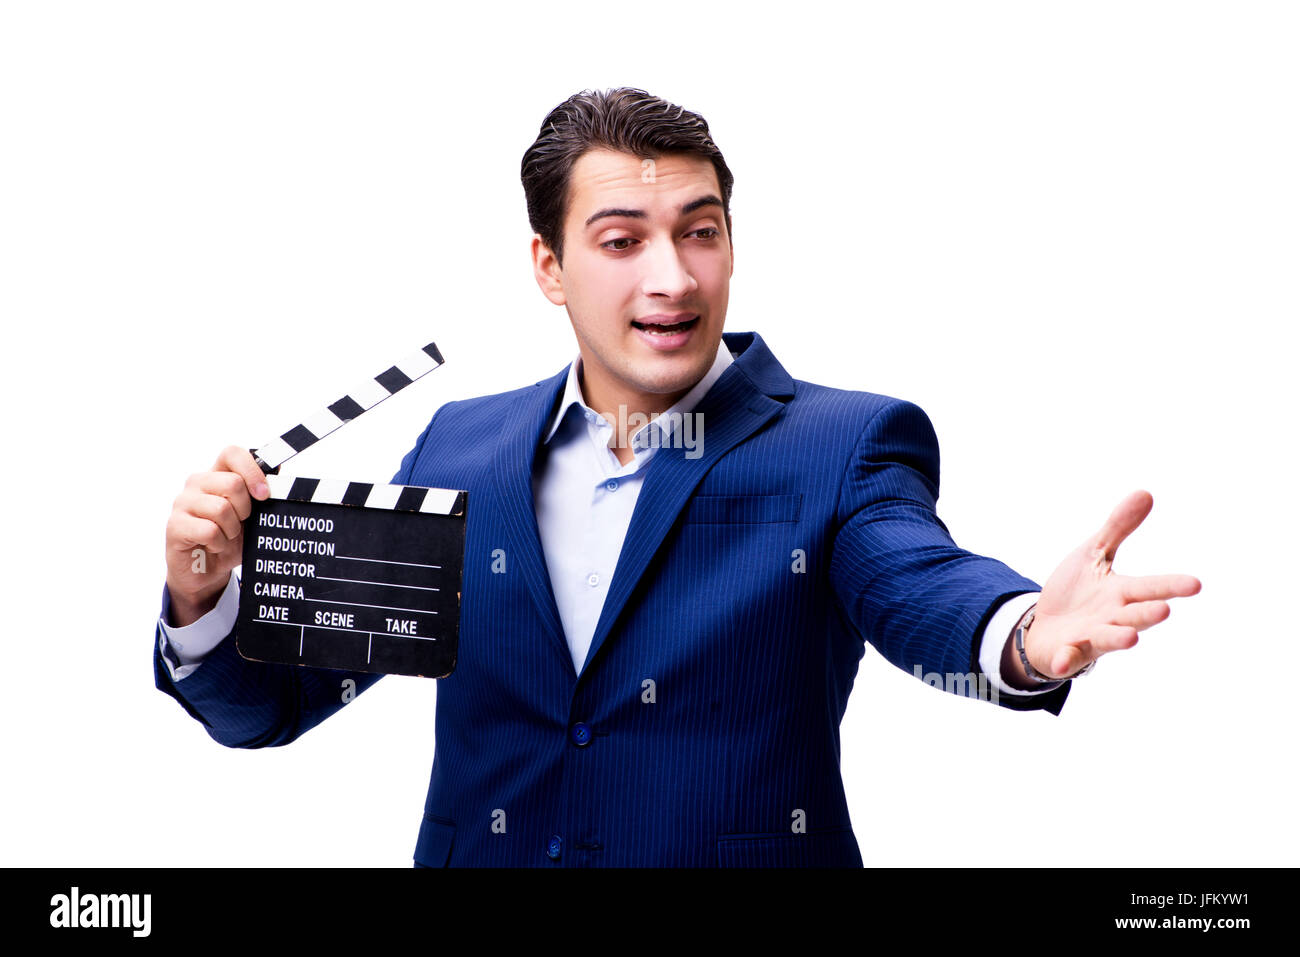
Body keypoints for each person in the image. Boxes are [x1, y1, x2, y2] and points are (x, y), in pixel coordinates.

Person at [155, 87, 1201, 867]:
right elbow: (269, 711)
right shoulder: (454, 450)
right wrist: (205, 600)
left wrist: (1019, 635)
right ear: (549, 267)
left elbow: (916, 582)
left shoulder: (841, 443)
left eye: (699, 233)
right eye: (621, 240)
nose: (673, 276)